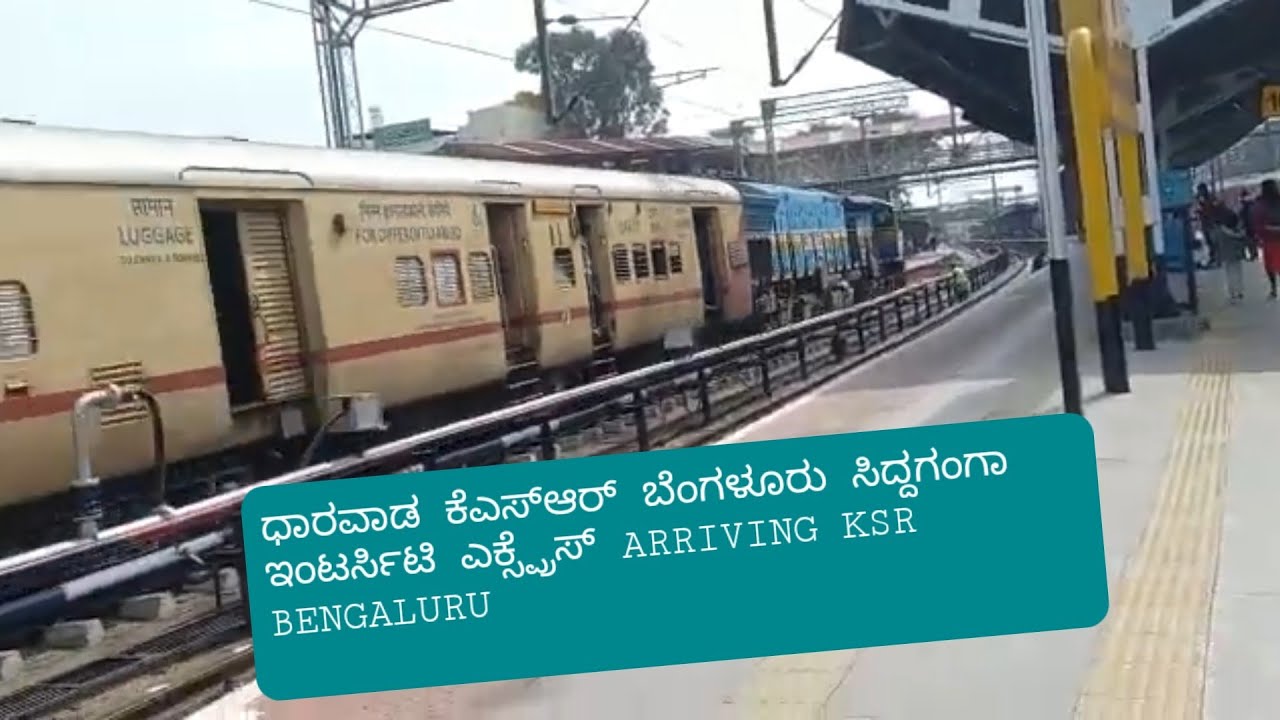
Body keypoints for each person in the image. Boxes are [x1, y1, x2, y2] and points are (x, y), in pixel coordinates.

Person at [1249, 179, 1280, 299]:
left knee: (1270, 266)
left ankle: (1273, 289)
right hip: (1275, 239)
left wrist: (1260, 234)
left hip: (1268, 239)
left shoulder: (1260, 204)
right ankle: (1273, 289)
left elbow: (1256, 222)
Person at [1210, 204, 1247, 302]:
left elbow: (1214, 240)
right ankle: (1239, 291)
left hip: (1225, 252)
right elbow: (1241, 235)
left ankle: (1232, 293)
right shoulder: (1234, 222)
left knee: (1229, 272)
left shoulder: (1218, 228)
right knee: (1238, 271)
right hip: (1236, 251)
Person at [1239, 189, 1259, 261]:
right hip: (1252, 226)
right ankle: (1254, 254)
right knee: (1252, 241)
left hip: (1250, 227)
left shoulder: (1246, 207)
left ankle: (1254, 254)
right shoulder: (1253, 205)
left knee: (1250, 241)